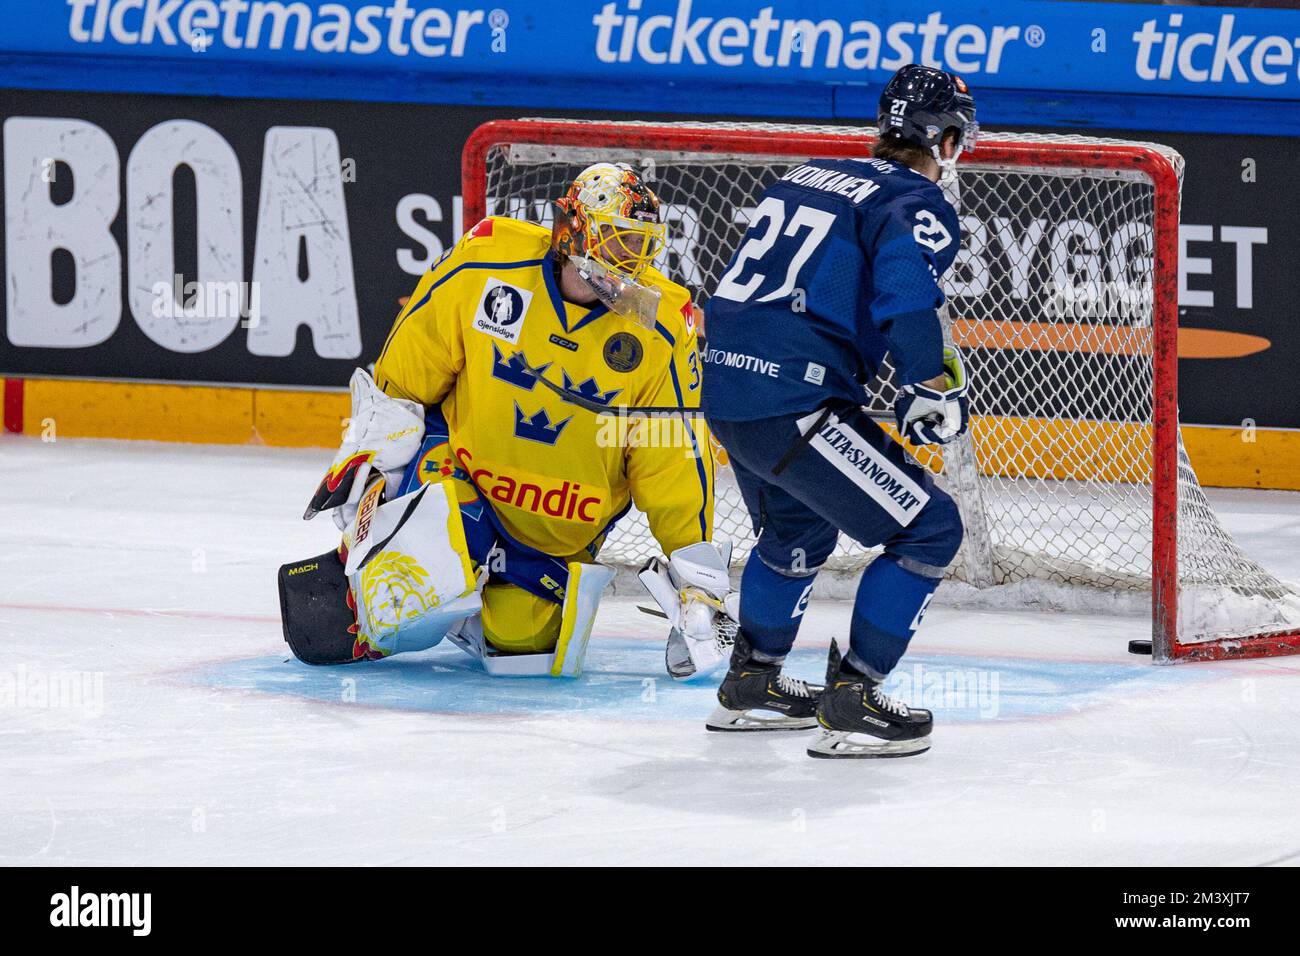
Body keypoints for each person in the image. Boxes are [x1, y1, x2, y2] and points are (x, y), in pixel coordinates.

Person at [278, 162, 733, 679]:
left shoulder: (662, 329)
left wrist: (696, 577)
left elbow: (671, 459)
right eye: (616, 242)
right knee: (401, 591)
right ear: (573, 230)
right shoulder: (487, 263)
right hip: (458, 476)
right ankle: (429, 570)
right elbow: (410, 369)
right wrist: (371, 461)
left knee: (525, 654)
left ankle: (473, 604)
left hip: (556, 529)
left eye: (640, 247)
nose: (627, 263)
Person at [699, 64, 978, 756]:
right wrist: (926, 384)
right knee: (931, 529)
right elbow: (907, 298)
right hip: (795, 400)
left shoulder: (805, 175)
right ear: (943, 140)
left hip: (726, 389)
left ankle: (753, 682)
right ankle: (854, 695)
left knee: (797, 533)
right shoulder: (913, 204)